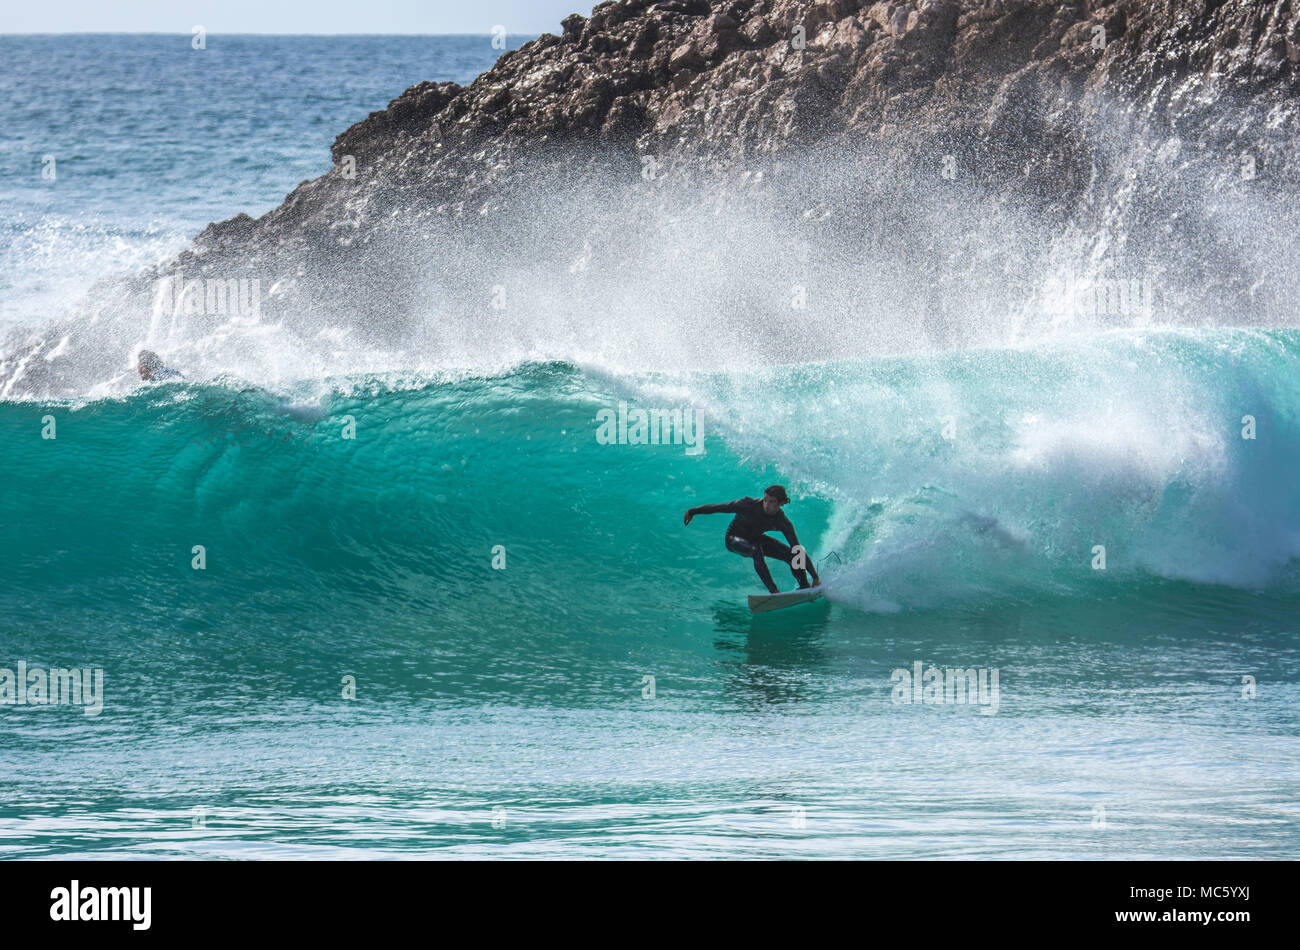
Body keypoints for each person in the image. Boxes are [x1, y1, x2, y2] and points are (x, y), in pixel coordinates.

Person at [683, 485, 820, 594]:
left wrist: (814, 576)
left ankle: (804, 587)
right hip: (733, 539)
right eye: (765, 499)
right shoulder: (748, 504)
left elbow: (797, 549)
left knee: (791, 555)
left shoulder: (782, 522)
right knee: (756, 551)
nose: (766, 504)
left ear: (781, 503)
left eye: (771, 502)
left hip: (756, 539)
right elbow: (720, 507)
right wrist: (693, 511)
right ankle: (774, 591)